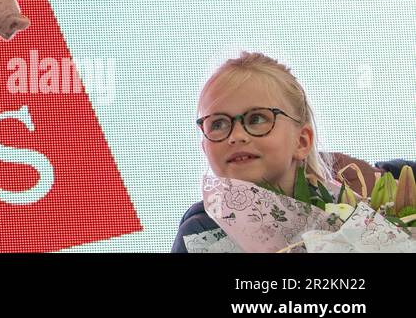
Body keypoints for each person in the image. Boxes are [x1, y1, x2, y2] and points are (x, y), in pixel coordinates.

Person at [172, 50, 415, 252]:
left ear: (302, 141)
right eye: (218, 124)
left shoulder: (373, 193)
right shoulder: (201, 233)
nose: (236, 136)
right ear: (204, 147)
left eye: (257, 118)